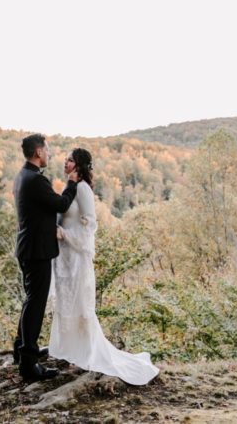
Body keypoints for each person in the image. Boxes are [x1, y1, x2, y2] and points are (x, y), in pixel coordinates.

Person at [50, 148, 159, 385]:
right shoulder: (68, 187)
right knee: (66, 301)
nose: (65, 162)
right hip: (63, 257)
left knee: (79, 302)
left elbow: (90, 226)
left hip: (77, 256)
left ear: (78, 164)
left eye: (69, 159)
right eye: (66, 159)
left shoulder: (83, 189)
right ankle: (67, 350)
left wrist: (65, 235)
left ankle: (86, 352)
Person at [13, 133, 78, 382]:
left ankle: (22, 350)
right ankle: (29, 365)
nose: (50, 154)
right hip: (36, 251)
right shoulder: (36, 180)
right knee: (36, 304)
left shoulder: (22, 176)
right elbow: (61, 205)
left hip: (27, 248)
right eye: (47, 150)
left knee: (31, 301)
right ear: (38, 152)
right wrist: (71, 183)